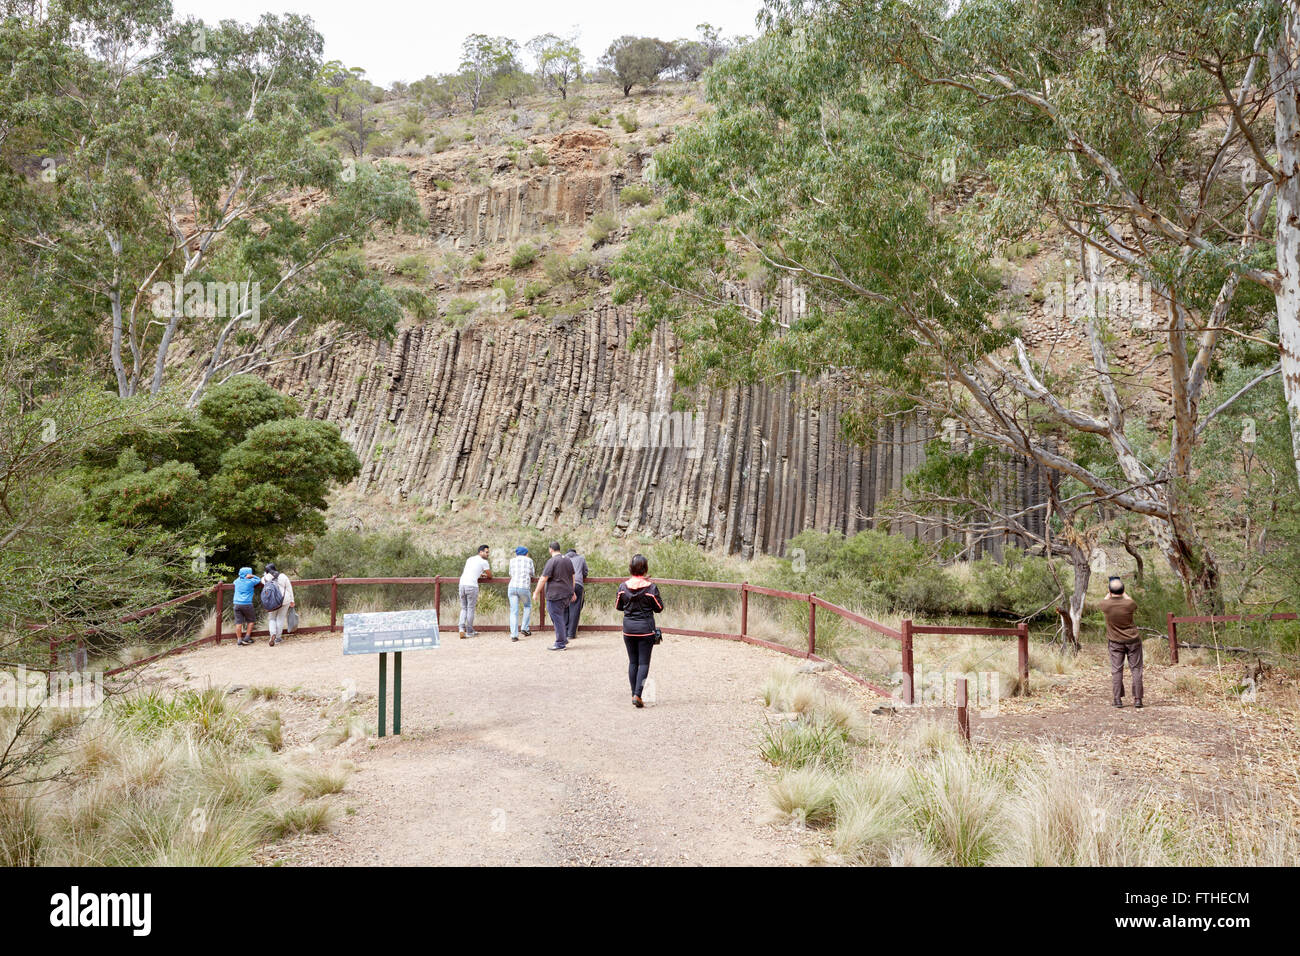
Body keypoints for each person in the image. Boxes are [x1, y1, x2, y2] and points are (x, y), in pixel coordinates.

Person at [615, 553, 663, 708]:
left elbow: (618, 606)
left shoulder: (623, 587)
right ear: (645, 569)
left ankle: (634, 694)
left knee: (633, 662)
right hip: (646, 629)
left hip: (628, 629)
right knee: (643, 663)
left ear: (630, 568)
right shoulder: (651, 588)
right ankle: (638, 694)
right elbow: (659, 608)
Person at [1097, 576, 1143, 708]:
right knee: (1136, 669)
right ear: (1123, 590)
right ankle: (1138, 699)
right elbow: (1130, 600)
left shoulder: (1105, 605)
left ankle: (1117, 699)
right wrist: (1123, 593)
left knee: (1117, 670)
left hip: (1115, 642)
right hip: (1133, 640)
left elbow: (1105, 600)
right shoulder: (1129, 604)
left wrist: (1110, 593)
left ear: (1109, 591)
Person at [533, 541, 575, 650]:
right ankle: (563, 638)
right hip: (566, 594)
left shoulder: (552, 561)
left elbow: (543, 578)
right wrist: (572, 591)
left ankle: (560, 643)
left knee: (557, 617)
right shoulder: (567, 560)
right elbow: (572, 577)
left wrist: (536, 592)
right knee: (559, 617)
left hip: (555, 595)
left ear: (550, 549)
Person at [458, 544, 492, 639]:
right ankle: (469, 631)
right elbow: (490, 576)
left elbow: (471, 571)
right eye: (486, 552)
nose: (488, 554)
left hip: (462, 584)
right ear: (480, 552)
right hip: (472, 586)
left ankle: (461, 629)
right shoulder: (484, 562)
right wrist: (484, 575)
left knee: (464, 608)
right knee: (470, 608)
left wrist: (479, 574)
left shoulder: (470, 559)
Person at [260, 563, 295, 647]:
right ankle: (278, 638)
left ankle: (272, 634)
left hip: (272, 601)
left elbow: (262, 581)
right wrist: (292, 600)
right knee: (280, 618)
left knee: (272, 618)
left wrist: (266, 574)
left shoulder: (265, 578)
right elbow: (289, 588)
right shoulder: (283, 576)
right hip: (284, 599)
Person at [508, 546, 534, 642]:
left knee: (514, 611)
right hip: (523, 587)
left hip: (512, 587)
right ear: (526, 553)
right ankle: (524, 628)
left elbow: (510, 573)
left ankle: (514, 635)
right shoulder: (529, 560)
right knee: (527, 606)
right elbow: (532, 573)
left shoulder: (512, 561)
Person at [564, 546, 589, 641]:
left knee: (565, 608)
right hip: (578, 584)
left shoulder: (563, 558)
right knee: (575, 609)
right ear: (575, 552)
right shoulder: (581, 558)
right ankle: (571, 634)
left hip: (565, 585)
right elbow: (585, 572)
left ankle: (564, 631)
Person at [232, 566, 260, 646]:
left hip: (237, 604)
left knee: (238, 622)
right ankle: (247, 638)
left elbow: (235, 581)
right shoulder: (251, 582)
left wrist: (242, 576)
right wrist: (253, 576)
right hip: (247, 604)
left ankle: (239, 640)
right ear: (249, 574)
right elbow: (259, 580)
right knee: (251, 621)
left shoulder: (237, 581)